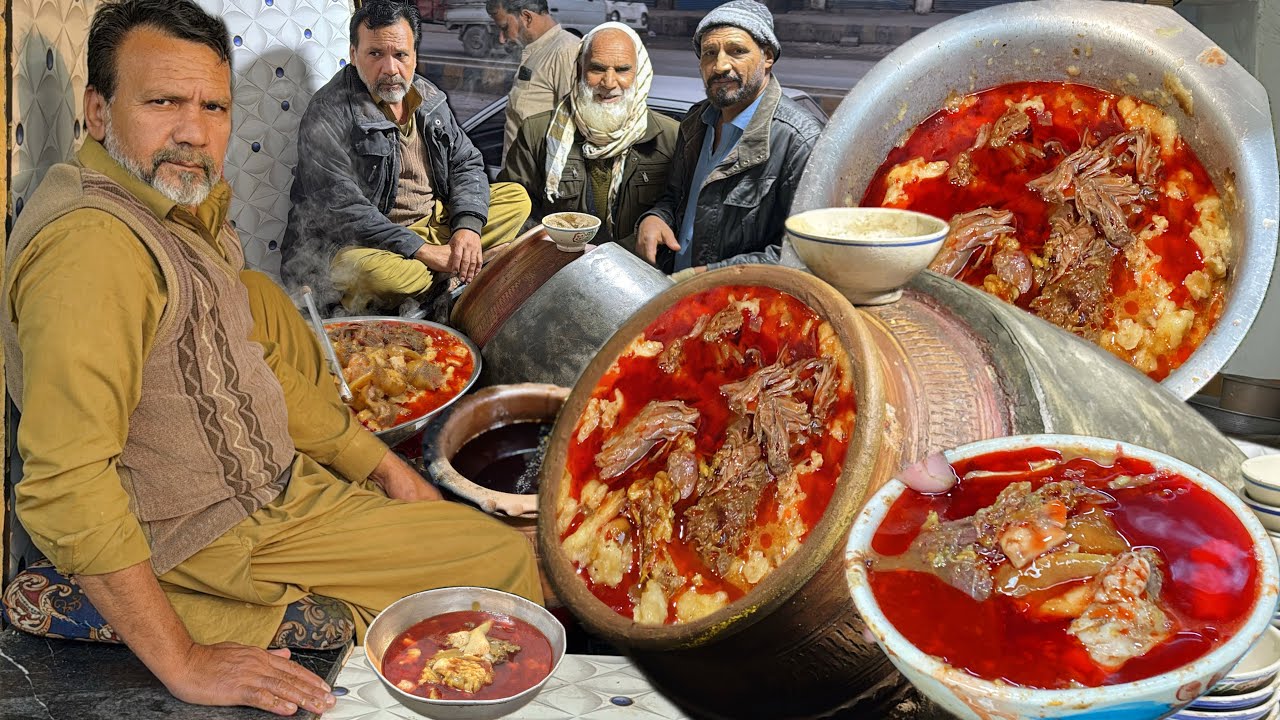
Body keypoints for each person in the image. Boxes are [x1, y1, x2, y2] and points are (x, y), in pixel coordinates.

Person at [0, 1, 541, 715]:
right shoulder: (94, 251)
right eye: (162, 102)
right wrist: (186, 661)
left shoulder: (184, 210)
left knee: (257, 297)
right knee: (502, 558)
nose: (193, 132)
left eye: (213, 106)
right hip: (220, 535)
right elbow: (65, 483)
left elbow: (263, 368)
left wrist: (377, 467)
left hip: (276, 485)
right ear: (98, 113)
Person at [280, 1, 530, 314]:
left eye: (400, 55)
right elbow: (344, 211)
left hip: (433, 223)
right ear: (354, 53)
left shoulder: (428, 97)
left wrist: (466, 227)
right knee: (378, 275)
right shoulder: (328, 113)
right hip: (366, 244)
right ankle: (461, 265)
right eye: (375, 54)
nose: (390, 69)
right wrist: (422, 250)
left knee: (517, 199)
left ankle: (452, 260)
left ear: (414, 54)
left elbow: (466, 164)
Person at [636, 0, 824, 278]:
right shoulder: (696, 121)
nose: (720, 65)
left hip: (739, 306)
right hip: (673, 292)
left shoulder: (799, 141)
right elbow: (675, 197)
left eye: (737, 51)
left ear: (767, 56)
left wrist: (712, 276)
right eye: (709, 53)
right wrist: (655, 218)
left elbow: (808, 255)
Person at [499, 23, 678, 251]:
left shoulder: (670, 138)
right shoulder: (537, 133)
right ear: (579, 70)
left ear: (640, 73)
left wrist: (605, 258)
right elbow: (514, 213)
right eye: (597, 69)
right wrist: (564, 248)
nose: (609, 83)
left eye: (622, 70)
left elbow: (679, 213)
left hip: (641, 280)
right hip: (558, 273)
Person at [485, 0, 581, 157]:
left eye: (505, 28)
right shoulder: (536, 52)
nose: (502, 39)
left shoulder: (565, 52)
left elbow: (573, 132)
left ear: (527, 17)